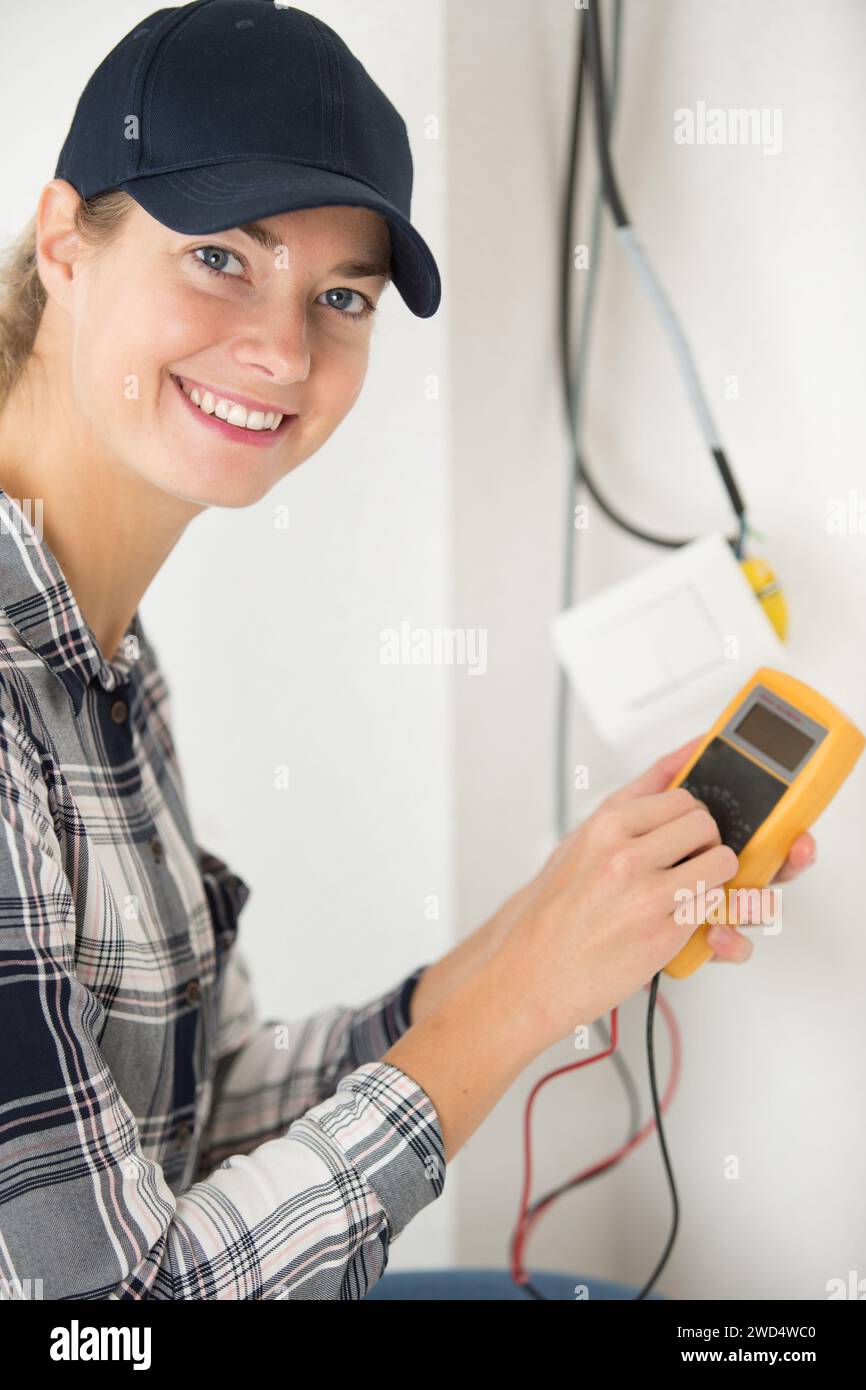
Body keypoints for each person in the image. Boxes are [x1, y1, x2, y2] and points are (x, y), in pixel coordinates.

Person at [0, 0, 816, 1302]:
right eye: (219, 255)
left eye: (339, 295)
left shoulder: (100, 664)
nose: (281, 349)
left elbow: (198, 1122)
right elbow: (107, 1318)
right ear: (65, 243)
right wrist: (520, 999)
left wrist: (542, 930)